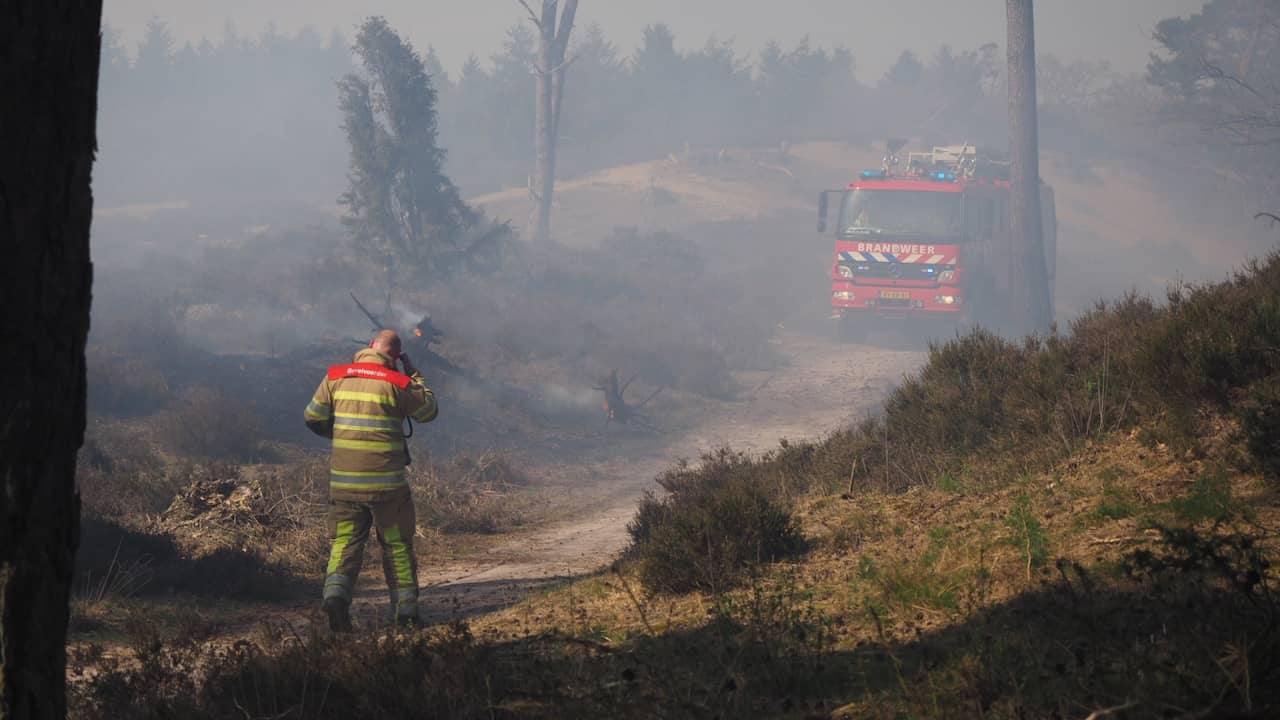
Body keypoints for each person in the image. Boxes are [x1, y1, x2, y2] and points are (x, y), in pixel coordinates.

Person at [304, 329, 439, 630]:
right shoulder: (398, 382)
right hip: (387, 489)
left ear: (368, 347)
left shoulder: (335, 376)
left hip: (345, 485)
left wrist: (338, 434)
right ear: (396, 357)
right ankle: (406, 614)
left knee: (345, 543)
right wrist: (415, 375)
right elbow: (429, 411)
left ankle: (335, 600)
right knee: (397, 545)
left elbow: (312, 416)